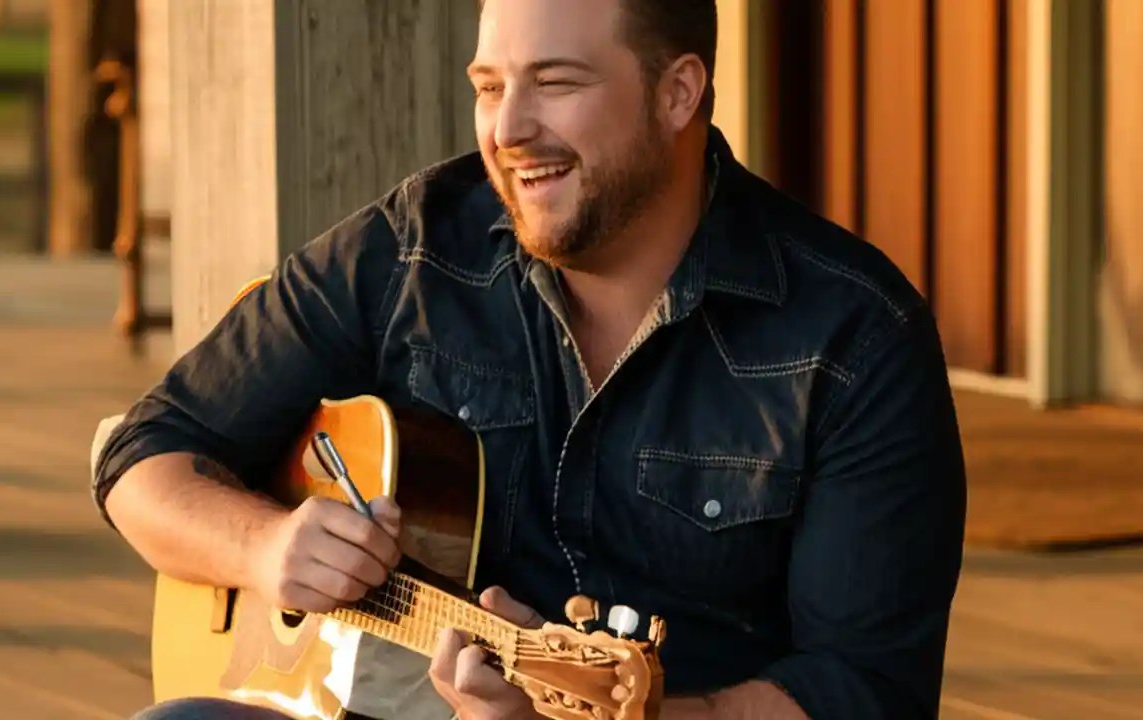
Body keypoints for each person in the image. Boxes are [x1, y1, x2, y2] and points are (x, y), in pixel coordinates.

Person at [93, 0, 967, 717]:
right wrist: (265, 548)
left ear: (678, 93)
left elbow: (863, 691)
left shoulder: (852, 335)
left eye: (555, 83)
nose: (507, 128)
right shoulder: (415, 250)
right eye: (488, 86)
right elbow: (142, 457)